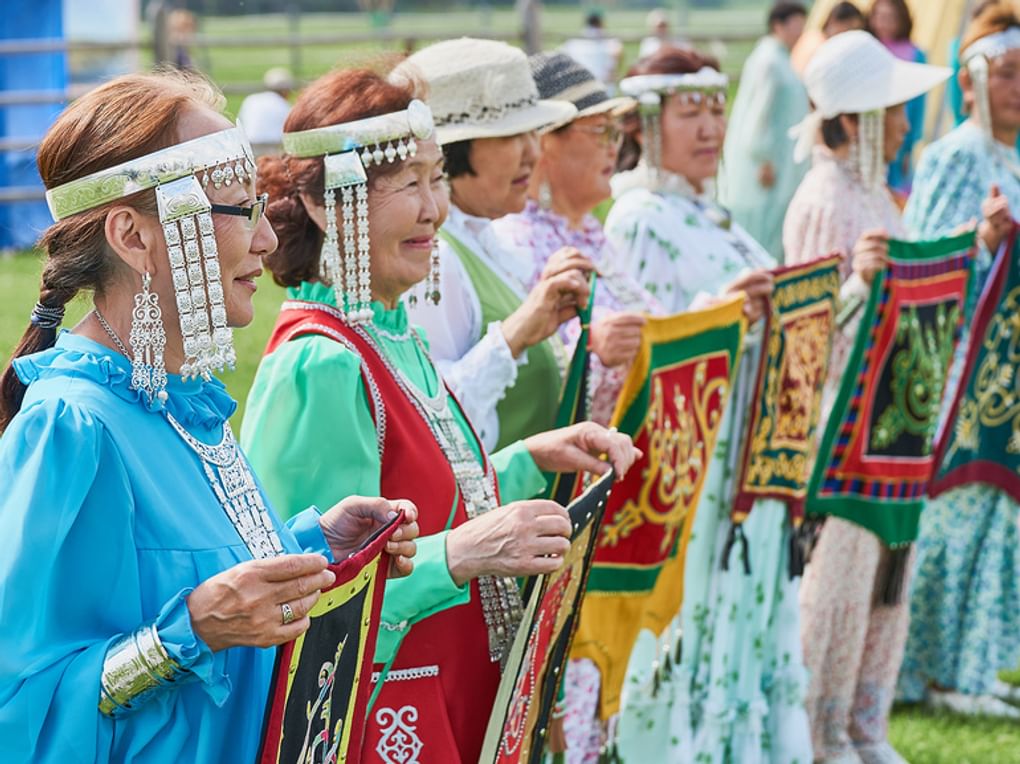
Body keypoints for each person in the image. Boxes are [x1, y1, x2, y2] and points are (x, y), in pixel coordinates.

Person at [0, 70, 419, 763]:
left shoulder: (187, 403)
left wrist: (314, 546)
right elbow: (22, 708)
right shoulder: (73, 427)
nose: (264, 243)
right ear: (134, 237)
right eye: (237, 211)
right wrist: (183, 637)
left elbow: (201, 586)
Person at [241, 67, 640, 764]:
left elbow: (427, 505)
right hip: (385, 720)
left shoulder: (394, 335)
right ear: (329, 205)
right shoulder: (322, 364)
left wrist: (525, 461)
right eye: (410, 186)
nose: (436, 210)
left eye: (437, 181)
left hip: (452, 693)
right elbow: (308, 595)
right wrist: (460, 556)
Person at [606, 47, 813, 763]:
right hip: (692, 455)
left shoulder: (711, 214)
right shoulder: (638, 216)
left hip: (747, 447)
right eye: (689, 112)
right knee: (691, 607)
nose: (709, 127)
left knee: (740, 599)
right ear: (648, 122)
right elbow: (645, 339)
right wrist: (721, 310)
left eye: (717, 109)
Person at [783, 30, 951, 764]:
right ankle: (824, 734)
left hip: (891, 421)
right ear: (852, 121)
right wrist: (854, 285)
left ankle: (864, 724)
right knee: (840, 589)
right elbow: (805, 329)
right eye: (892, 111)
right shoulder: (824, 199)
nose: (907, 125)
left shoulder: (874, 192)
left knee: (886, 578)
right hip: (840, 425)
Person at [490, 52, 659, 759]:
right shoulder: (515, 242)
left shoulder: (599, 235)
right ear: (545, 143)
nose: (613, 147)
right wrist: (595, 350)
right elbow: (523, 383)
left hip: (614, 489)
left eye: (617, 130)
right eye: (597, 129)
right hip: (551, 494)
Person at [897, 0, 1020, 718]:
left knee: (999, 517)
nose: (1017, 87)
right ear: (970, 79)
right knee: (956, 517)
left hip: (1004, 376)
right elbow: (920, 260)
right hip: (955, 374)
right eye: (1007, 74)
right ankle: (939, 671)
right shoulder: (954, 156)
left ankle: (977, 663)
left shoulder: (1011, 155)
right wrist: (978, 240)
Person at [394, 38, 591, 452]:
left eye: (534, 133)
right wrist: (516, 335)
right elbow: (426, 418)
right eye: (511, 135)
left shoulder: (488, 239)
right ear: (456, 150)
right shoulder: (434, 257)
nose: (533, 153)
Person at [719, 1, 809, 262]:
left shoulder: (781, 58)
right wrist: (762, 158)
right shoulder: (769, 61)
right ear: (778, 25)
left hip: (782, 160)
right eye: (796, 24)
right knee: (763, 233)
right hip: (767, 166)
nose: (800, 31)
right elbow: (758, 114)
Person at [868, 0, 929, 199]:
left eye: (890, 18)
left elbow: (918, 105)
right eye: (880, 17)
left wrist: (909, 146)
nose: (884, 24)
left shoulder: (915, 54)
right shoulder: (869, 49)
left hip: (899, 135)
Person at [792, 2, 866, 75]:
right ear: (833, 22)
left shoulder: (815, 37)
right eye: (849, 28)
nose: (852, 35)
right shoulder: (816, 41)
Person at [560, 10, 624, 91]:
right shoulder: (611, 41)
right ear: (601, 22)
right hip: (603, 88)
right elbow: (618, 53)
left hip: (578, 87)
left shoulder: (573, 41)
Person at [237, 67, 294, 147]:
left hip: (249, 145)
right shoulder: (284, 105)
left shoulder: (251, 100)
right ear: (285, 90)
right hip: (273, 148)